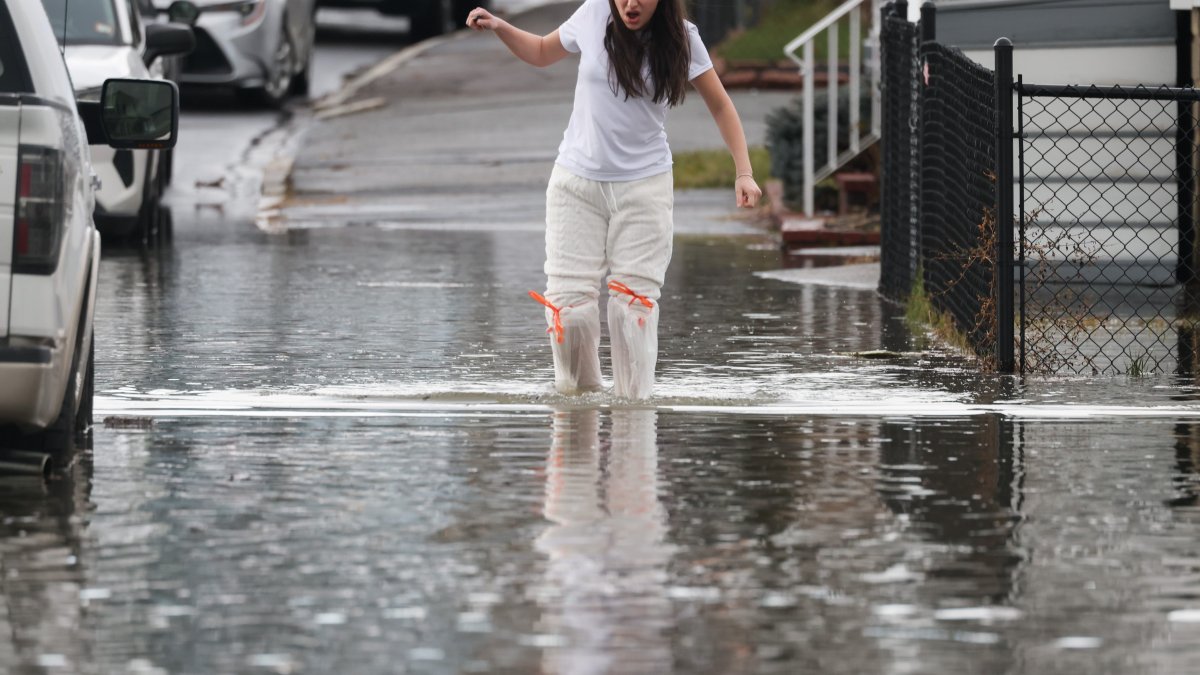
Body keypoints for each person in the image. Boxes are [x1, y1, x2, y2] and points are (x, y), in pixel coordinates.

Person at [467, 0, 762, 399]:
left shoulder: (684, 41)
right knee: (569, 316)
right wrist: (501, 26)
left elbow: (721, 105)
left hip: (644, 188)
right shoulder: (592, 15)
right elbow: (540, 51)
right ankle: (576, 427)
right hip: (575, 185)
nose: (630, 4)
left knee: (631, 315)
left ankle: (634, 432)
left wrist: (744, 173)